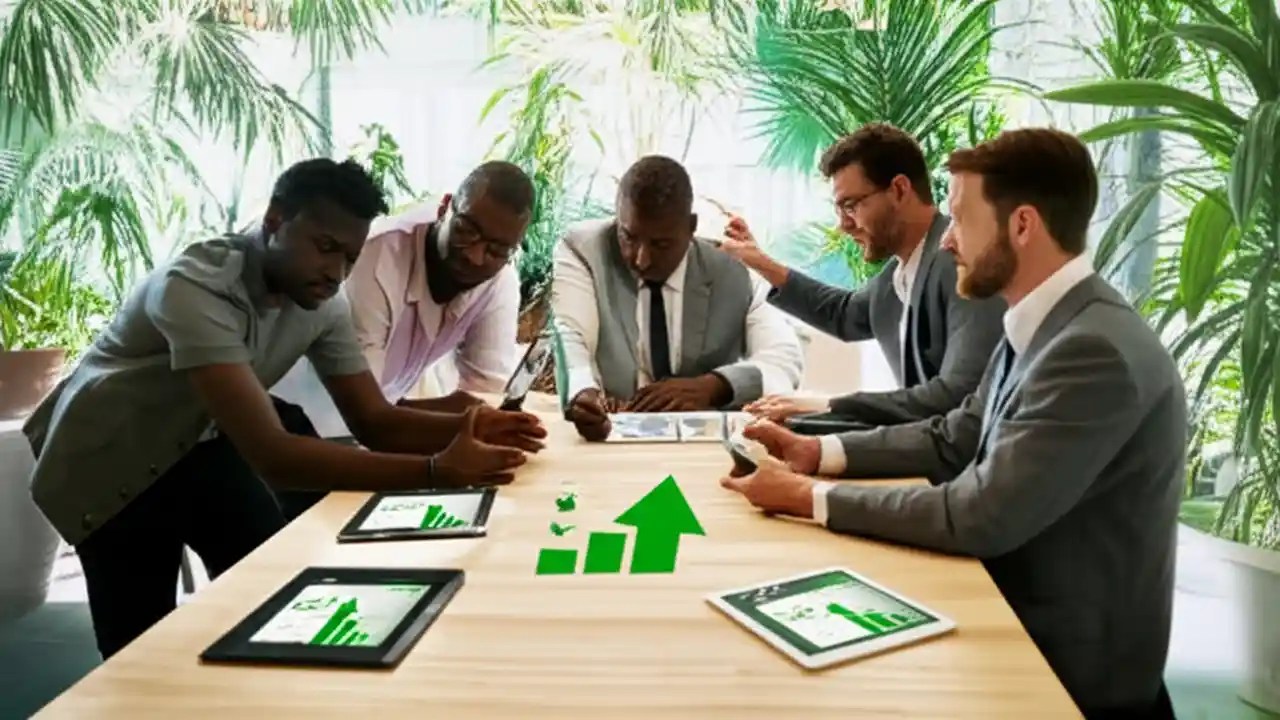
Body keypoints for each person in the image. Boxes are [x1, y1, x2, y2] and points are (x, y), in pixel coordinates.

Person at [720, 128, 1183, 719]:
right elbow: (956, 435)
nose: (947, 242)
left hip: (1063, 675)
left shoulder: (1090, 352)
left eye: (961, 219)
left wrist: (809, 497)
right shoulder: (1046, 323)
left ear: (1022, 225)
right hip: (1009, 616)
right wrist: (820, 454)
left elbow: (978, 513)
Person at [23, 158, 546, 660]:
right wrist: (437, 472)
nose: (336, 271)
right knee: (141, 653)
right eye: (324, 247)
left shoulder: (324, 302)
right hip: (105, 460)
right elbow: (274, 456)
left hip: (197, 443)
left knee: (280, 597)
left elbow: (374, 420)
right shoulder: (193, 288)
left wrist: (472, 423)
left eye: (349, 257)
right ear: (274, 220)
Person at [719, 123, 1004, 431]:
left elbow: (958, 394)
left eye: (851, 206)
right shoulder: (903, 271)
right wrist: (760, 261)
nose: (843, 225)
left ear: (899, 190)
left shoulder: (956, 263)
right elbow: (845, 315)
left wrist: (830, 405)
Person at [552, 155, 804, 441]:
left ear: (691, 227)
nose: (641, 259)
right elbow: (571, 336)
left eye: (661, 244)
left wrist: (714, 386)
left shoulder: (733, 269)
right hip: (607, 442)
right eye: (628, 237)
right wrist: (583, 392)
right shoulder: (584, 250)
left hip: (702, 451)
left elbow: (784, 362)